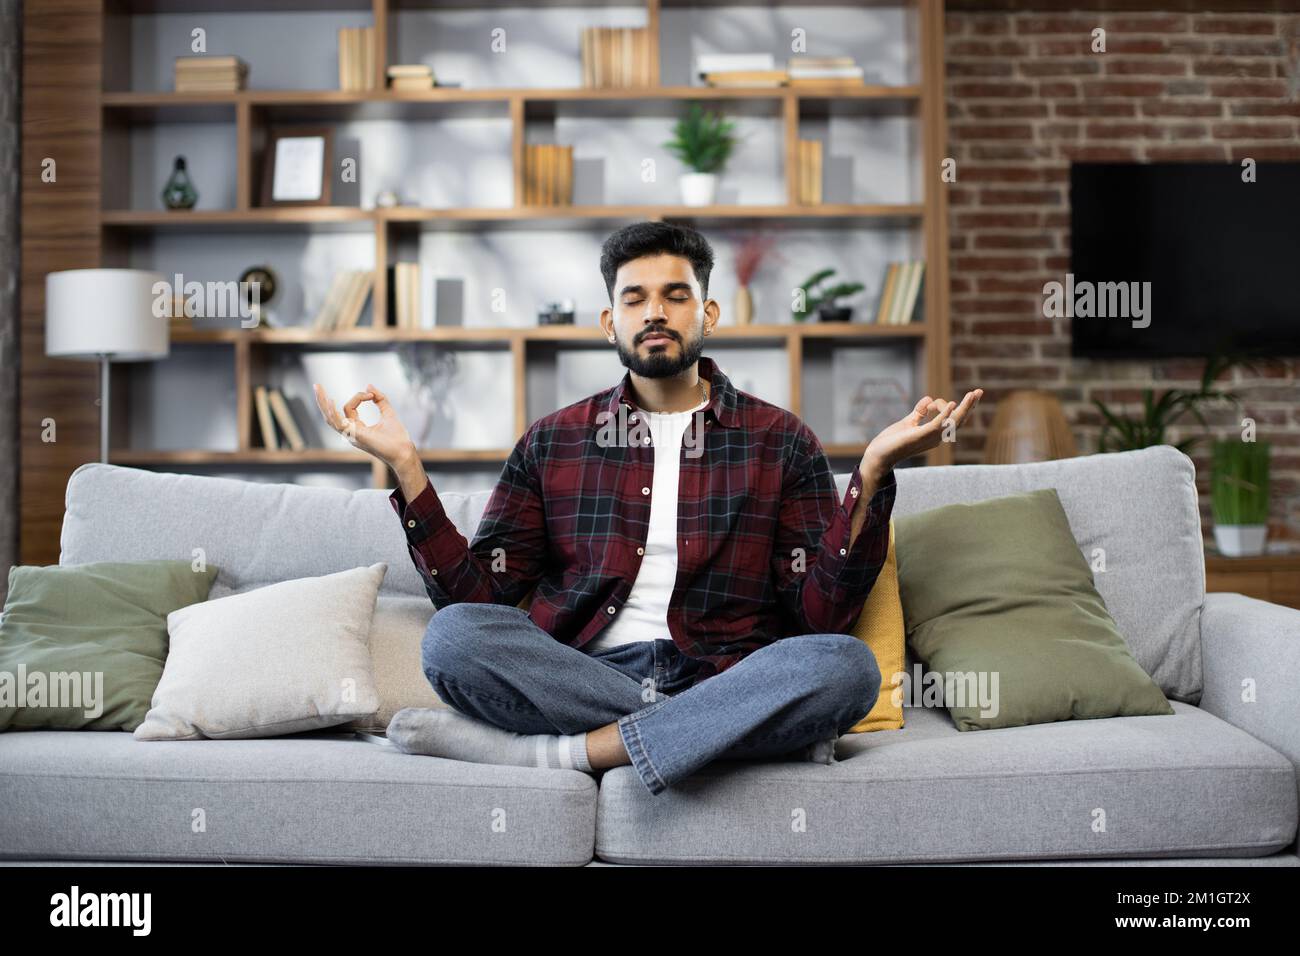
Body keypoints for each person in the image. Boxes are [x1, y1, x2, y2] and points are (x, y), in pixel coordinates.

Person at [313, 221, 982, 797]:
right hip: (584, 672)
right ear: (611, 322)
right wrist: (407, 469)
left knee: (844, 667)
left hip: (727, 670)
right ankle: (733, 733)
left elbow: (820, 614)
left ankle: (570, 753)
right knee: (454, 638)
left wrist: (871, 473)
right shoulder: (554, 441)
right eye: (634, 298)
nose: (654, 311)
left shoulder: (781, 441)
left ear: (708, 314)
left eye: (675, 295)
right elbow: (480, 597)